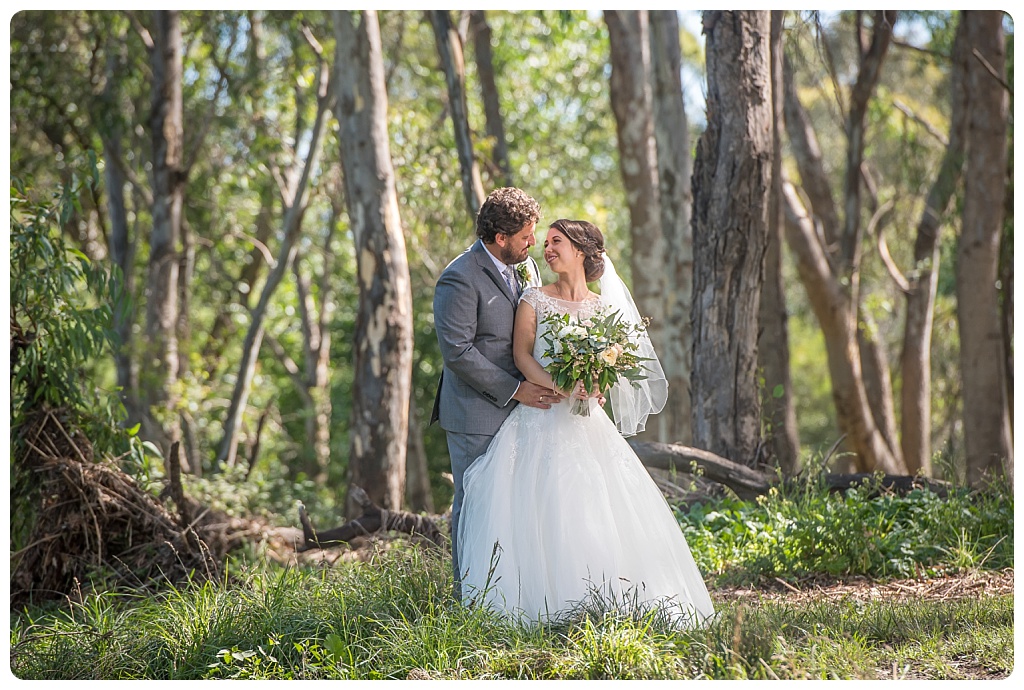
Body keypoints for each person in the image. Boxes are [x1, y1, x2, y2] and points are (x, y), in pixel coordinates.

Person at [456, 219, 715, 628]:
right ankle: (540, 609)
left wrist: (595, 382)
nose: (547, 249)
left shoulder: (600, 308)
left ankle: (606, 602)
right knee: (538, 506)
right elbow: (523, 356)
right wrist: (561, 384)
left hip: (588, 423)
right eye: (544, 243)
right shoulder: (533, 298)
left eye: (556, 242)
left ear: (580, 249)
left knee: (597, 506)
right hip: (539, 417)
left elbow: (614, 361)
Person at [431, 187, 567, 598]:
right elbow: (458, 352)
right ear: (500, 237)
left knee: (514, 504)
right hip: (476, 413)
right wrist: (515, 390)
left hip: (523, 411)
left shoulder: (525, 268)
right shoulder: (460, 276)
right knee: (475, 505)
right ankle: (469, 597)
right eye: (526, 236)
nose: (533, 244)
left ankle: (510, 593)